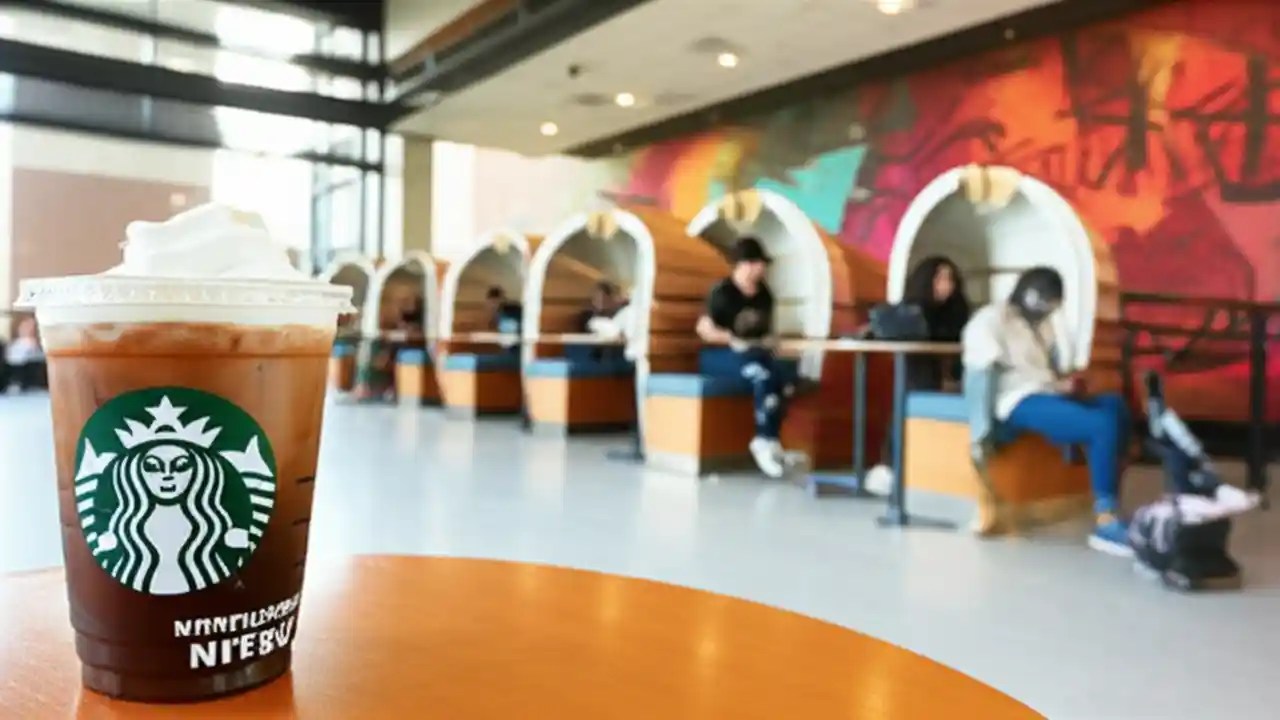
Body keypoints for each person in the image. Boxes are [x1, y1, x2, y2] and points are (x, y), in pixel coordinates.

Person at [962, 266, 1132, 556]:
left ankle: (1110, 492)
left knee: (1115, 406)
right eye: (1047, 301)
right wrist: (982, 430)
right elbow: (979, 376)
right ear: (1029, 295)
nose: (1050, 310)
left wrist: (1064, 384)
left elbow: (1047, 369)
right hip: (1014, 401)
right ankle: (1106, 519)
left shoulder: (1042, 325)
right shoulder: (991, 320)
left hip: (1046, 392)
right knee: (1100, 425)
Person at [696, 237, 804, 478]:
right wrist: (732, 339)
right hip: (720, 355)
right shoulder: (722, 292)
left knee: (786, 376)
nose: (762, 268)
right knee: (763, 376)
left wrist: (773, 343)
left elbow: (765, 332)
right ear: (744, 264)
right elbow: (704, 329)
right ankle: (763, 440)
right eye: (758, 263)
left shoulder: (764, 293)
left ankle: (772, 438)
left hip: (754, 353)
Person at [864, 256, 972, 495]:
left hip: (955, 373)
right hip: (920, 374)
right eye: (940, 279)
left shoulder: (959, 312)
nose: (946, 285)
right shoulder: (910, 312)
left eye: (950, 279)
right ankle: (891, 465)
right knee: (915, 382)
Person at [5, 317, 46, 392]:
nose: (30, 330)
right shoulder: (15, 346)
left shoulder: (42, 347)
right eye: (27, 327)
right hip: (20, 387)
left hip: (40, 388)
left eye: (33, 327)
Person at [485, 286, 522, 352]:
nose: (492, 306)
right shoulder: (500, 314)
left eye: (493, 302)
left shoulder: (508, 312)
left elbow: (508, 341)